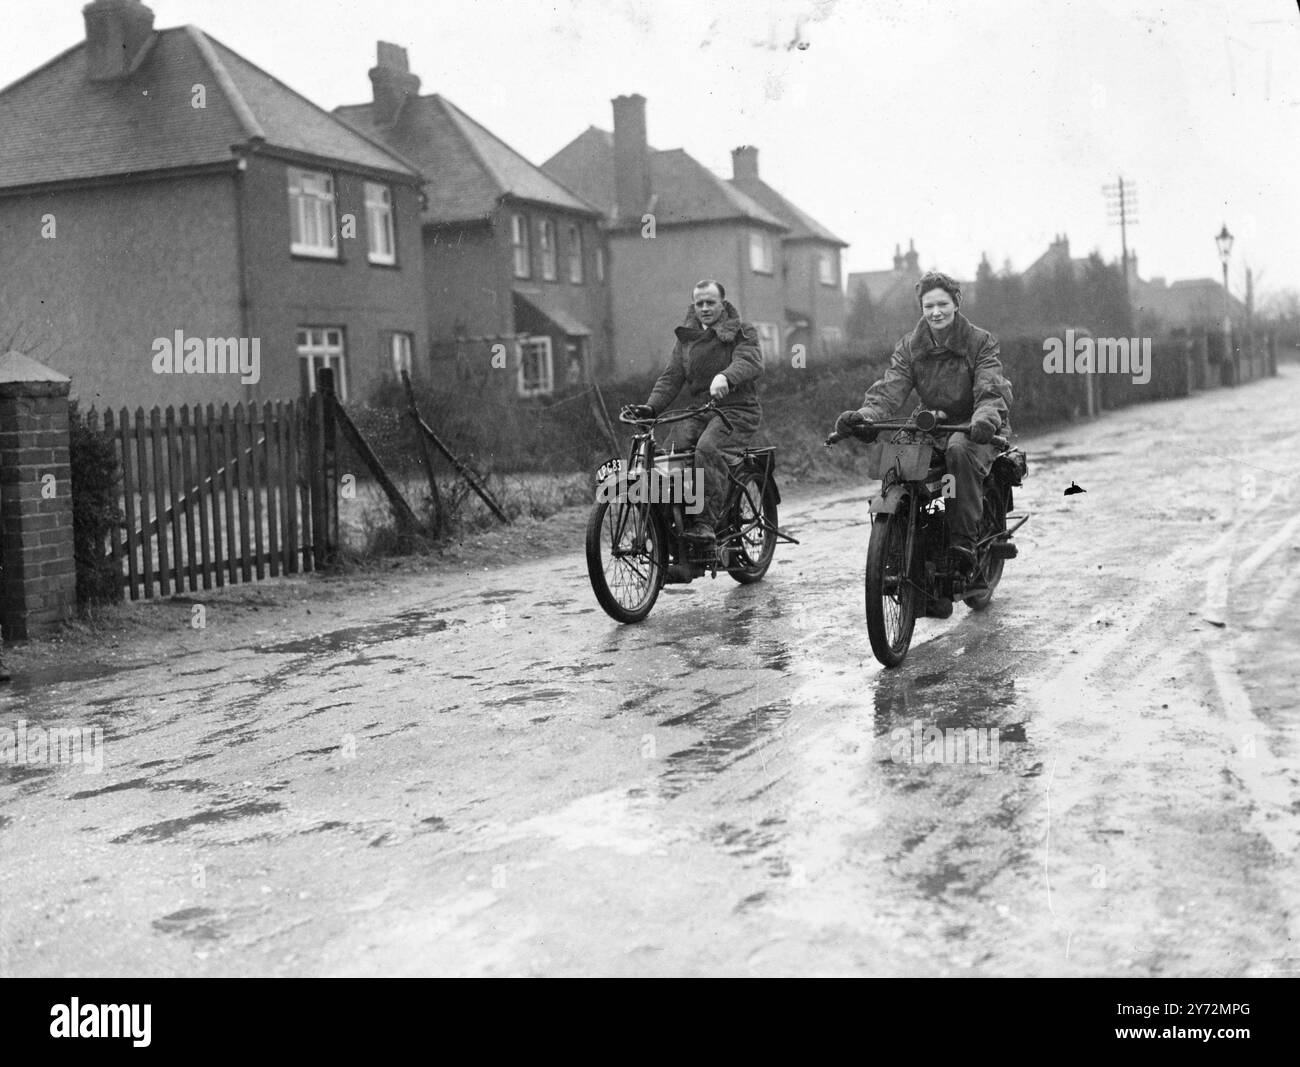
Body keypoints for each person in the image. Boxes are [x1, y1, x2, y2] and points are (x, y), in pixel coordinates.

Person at [835, 270, 1011, 573]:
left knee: (958, 451)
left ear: (956, 303)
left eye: (942, 304)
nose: (936, 312)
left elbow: (990, 388)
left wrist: (984, 418)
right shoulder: (910, 346)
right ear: (921, 309)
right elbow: (891, 387)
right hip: (931, 423)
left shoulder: (980, 342)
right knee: (898, 452)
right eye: (928, 306)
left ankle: (963, 542)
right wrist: (865, 416)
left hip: (973, 426)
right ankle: (898, 538)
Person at [622, 280, 763, 543]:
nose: (705, 308)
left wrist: (727, 377)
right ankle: (672, 525)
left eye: (711, 302)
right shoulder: (687, 339)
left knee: (708, 449)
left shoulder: (743, 331)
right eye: (699, 303)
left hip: (737, 411)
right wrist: (651, 407)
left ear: (723, 303)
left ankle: (705, 523)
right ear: (693, 305)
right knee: (667, 457)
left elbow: (750, 360)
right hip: (700, 411)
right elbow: (671, 377)